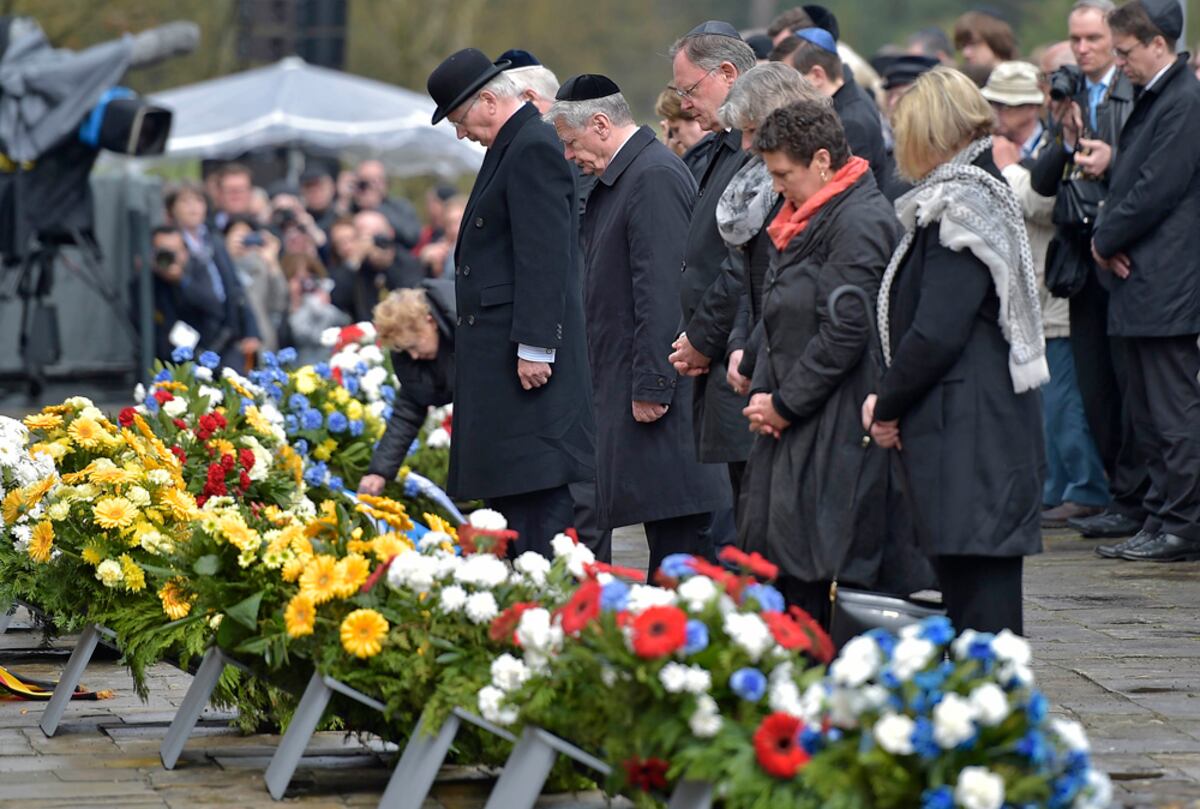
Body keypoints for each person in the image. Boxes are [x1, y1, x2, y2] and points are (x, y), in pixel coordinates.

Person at [864, 67, 1046, 635]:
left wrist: (887, 404)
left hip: (973, 435)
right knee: (971, 603)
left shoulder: (960, 204)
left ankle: (996, 720)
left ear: (932, 133)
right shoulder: (969, 192)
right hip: (972, 429)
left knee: (982, 617)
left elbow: (937, 329)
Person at [546, 74, 731, 577]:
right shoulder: (629, 174)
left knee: (680, 548)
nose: (568, 156)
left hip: (660, 399)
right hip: (636, 387)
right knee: (665, 544)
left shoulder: (651, 176)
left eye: (570, 141)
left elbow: (665, 289)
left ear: (600, 124)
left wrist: (653, 384)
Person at [736, 100, 901, 624]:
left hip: (835, 419)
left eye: (784, 173)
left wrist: (785, 403)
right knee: (780, 562)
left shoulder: (858, 222)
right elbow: (786, 301)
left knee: (813, 566)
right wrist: (757, 361)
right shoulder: (810, 214)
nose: (777, 186)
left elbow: (845, 331)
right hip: (796, 418)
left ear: (823, 160)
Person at [425, 48, 594, 555]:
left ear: (488, 101)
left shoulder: (532, 145)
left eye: (459, 120)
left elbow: (544, 256)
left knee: (535, 492)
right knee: (514, 494)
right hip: (502, 352)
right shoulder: (516, 143)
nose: (460, 133)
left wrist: (536, 346)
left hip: (521, 356)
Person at [1087, 0, 1200, 563]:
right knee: (1148, 412)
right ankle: (1160, 515)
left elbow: (1156, 186)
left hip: (1167, 278)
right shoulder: (1161, 96)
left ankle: (1181, 522)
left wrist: (1104, 239)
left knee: (1171, 407)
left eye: (1125, 52)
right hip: (1146, 277)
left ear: (1158, 43)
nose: (1119, 63)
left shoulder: (1182, 100)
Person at [1031, 0, 1145, 541]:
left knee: (1131, 386)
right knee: (1095, 386)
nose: (1082, 49)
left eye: (1093, 39)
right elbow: (1043, 181)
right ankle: (1122, 497)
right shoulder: (1073, 97)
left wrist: (1112, 157)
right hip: (1080, 258)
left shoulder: (1137, 91)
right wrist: (1062, 129)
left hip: (1125, 256)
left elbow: (1155, 171)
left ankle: (1136, 496)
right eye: (1075, 39)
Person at [984, 62, 1110, 527]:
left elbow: (1040, 203)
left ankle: (1084, 487)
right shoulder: (1025, 146)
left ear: (1029, 106)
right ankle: (1056, 486)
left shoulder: (1049, 146)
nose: (997, 113)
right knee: (1043, 401)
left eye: (1005, 104)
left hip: (1054, 285)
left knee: (1064, 399)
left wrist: (1010, 170)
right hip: (1026, 288)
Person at [665, 22, 757, 541]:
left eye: (689, 90)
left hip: (738, 354)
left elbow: (741, 260)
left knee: (744, 523)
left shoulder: (751, 148)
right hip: (718, 351)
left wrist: (702, 337)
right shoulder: (726, 143)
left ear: (726, 74)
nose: (684, 105)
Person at [712, 63, 825, 399]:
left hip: (792, 364)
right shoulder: (758, 181)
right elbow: (749, 273)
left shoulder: (807, 189)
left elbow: (791, 288)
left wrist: (749, 349)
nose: (746, 145)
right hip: (759, 352)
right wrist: (739, 342)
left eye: (751, 130)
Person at [359, 283, 455, 495]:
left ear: (430, 322)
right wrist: (379, 472)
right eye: (405, 350)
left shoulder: (468, 327)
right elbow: (409, 409)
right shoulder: (414, 358)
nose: (413, 355)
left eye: (413, 346)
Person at [777, 28, 896, 198]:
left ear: (817, 75)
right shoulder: (842, 102)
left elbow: (843, 194)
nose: (786, 93)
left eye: (790, 83)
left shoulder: (850, 122)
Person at [165, 182, 262, 363]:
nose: (193, 208)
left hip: (227, 334)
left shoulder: (214, 240)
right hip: (192, 334)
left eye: (198, 201)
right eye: (185, 202)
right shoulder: (170, 243)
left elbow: (235, 287)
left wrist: (251, 331)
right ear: (172, 209)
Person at [331, 210, 425, 323]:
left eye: (377, 235)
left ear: (390, 233)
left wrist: (387, 265)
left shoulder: (405, 260)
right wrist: (354, 261)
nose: (373, 243)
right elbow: (337, 300)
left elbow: (412, 296)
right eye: (362, 237)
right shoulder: (357, 266)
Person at [224, 217, 289, 353]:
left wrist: (272, 262)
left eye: (248, 236)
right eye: (238, 236)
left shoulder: (261, 268)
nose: (244, 241)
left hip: (264, 343)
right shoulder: (220, 266)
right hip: (233, 344)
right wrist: (228, 256)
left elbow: (279, 303)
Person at [282, 253, 349, 366]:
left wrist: (325, 306)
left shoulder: (325, 301)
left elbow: (345, 323)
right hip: (299, 366)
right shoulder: (282, 307)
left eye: (309, 276)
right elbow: (298, 337)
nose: (305, 284)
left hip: (329, 361)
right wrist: (294, 305)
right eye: (298, 278)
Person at [351, 159, 421, 249]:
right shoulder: (349, 209)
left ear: (385, 183)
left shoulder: (400, 207)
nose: (366, 188)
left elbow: (412, 236)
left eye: (373, 181)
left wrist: (376, 207)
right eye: (362, 183)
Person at [654, 88, 714, 179]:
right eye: (671, 133)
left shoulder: (704, 164)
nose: (675, 140)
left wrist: (671, 161)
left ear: (695, 119)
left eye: (676, 130)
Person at [953, 10, 1019, 70]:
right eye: (963, 46)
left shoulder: (1021, 80)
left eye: (973, 44)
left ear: (996, 42)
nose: (966, 53)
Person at [212, 163, 254, 232]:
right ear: (219, 193)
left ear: (250, 192)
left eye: (241, 190)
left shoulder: (265, 229)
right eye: (230, 190)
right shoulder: (205, 230)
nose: (236, 195)